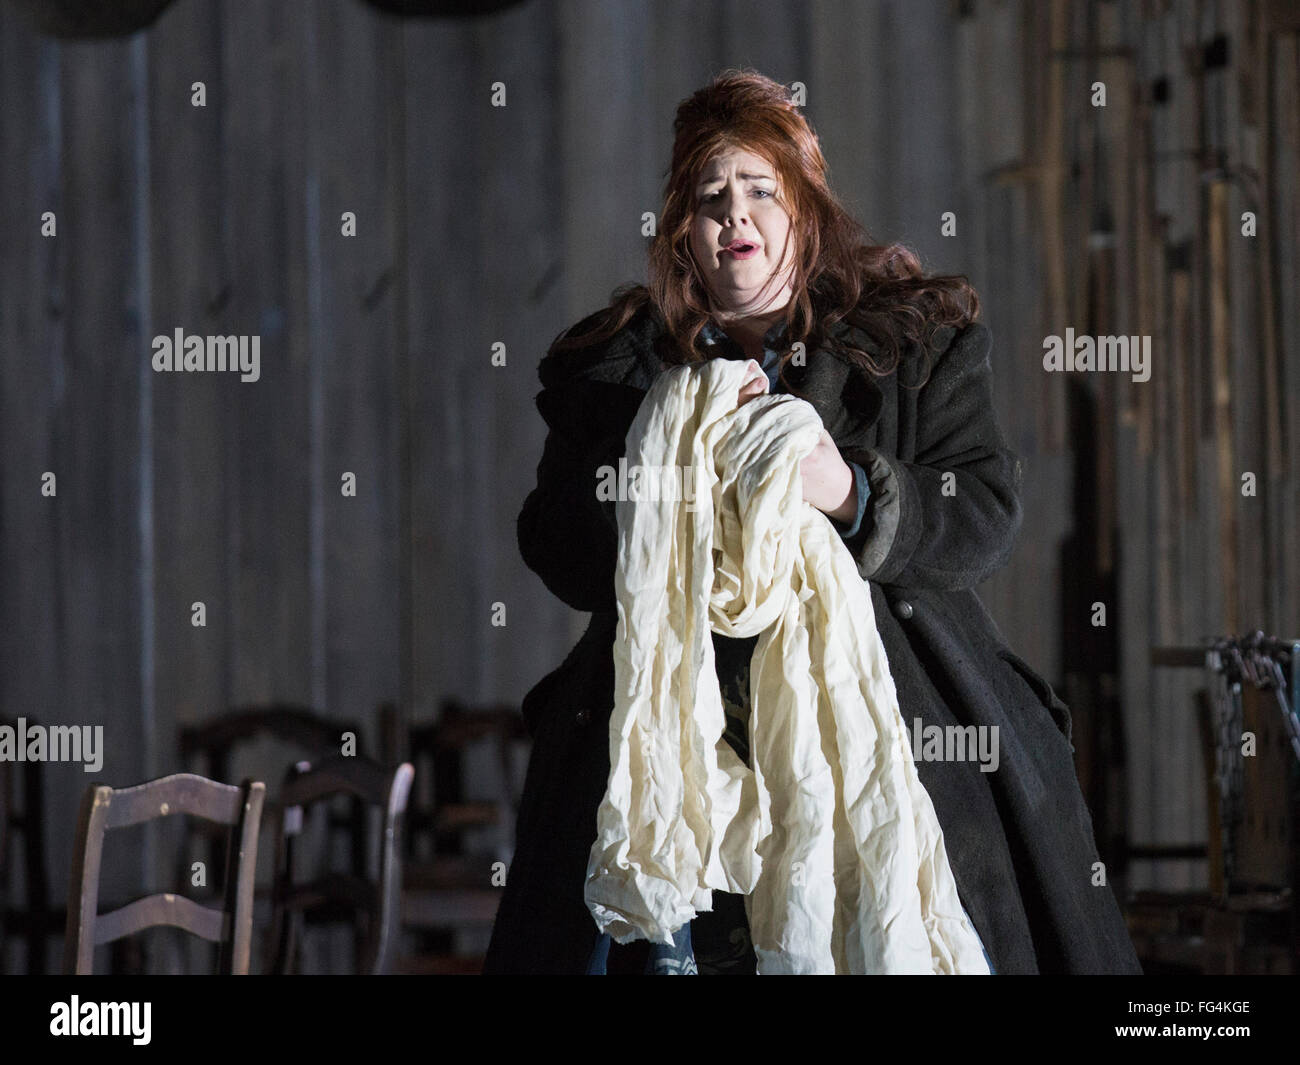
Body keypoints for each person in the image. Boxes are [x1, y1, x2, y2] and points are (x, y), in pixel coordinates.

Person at [484, 69, 1142, 975]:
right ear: (683, 231)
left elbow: (983, 508)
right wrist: (655, 484)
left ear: (806, 211)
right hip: (682, 768)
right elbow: (550, 539)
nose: (734, 215)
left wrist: (851, 490)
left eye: (760, 189)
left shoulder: (915, 340)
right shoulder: (618, 371)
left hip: (897, 744)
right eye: (710, 196)